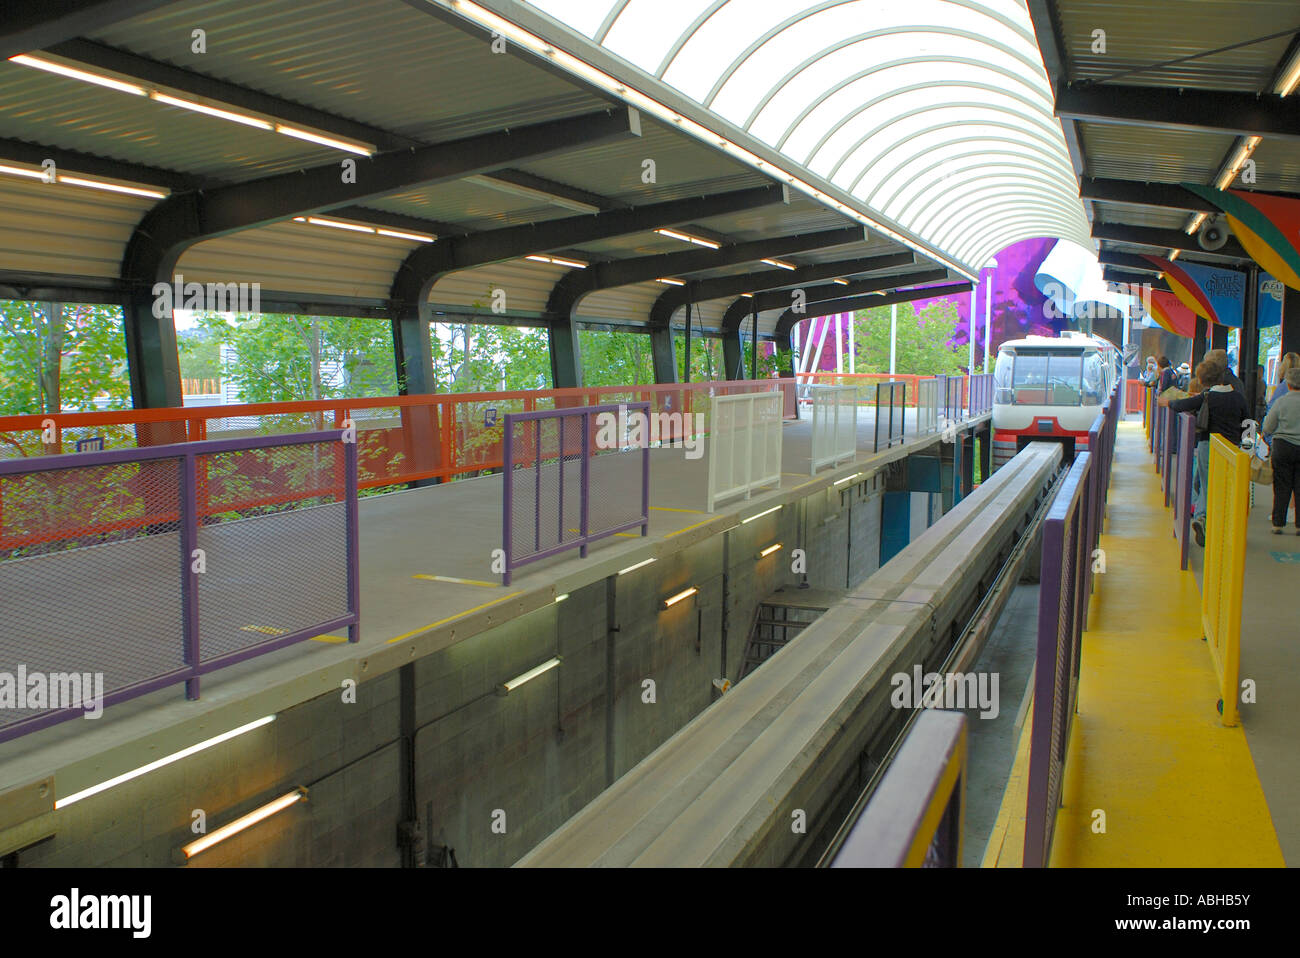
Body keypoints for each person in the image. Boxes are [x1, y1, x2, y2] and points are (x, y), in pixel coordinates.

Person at [1161, 358, 1250, 546]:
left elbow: (1180, 406)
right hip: (1232, 449)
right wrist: (1246, 445)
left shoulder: (1207, 397)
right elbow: (1247, 423)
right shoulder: (1238, 397)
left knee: (1205, 483)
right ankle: (1219, 521)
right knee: (1221, 485)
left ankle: (1204, 519)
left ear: (1201, 380)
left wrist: (1167, 403)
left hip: (1208, 445)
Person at [1262, 366, 1300, 534]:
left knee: (1281, 485)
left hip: (1283, 446)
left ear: (1289, 384)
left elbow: (1268, 426)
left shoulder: (1281, 401)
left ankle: (1278, 523)